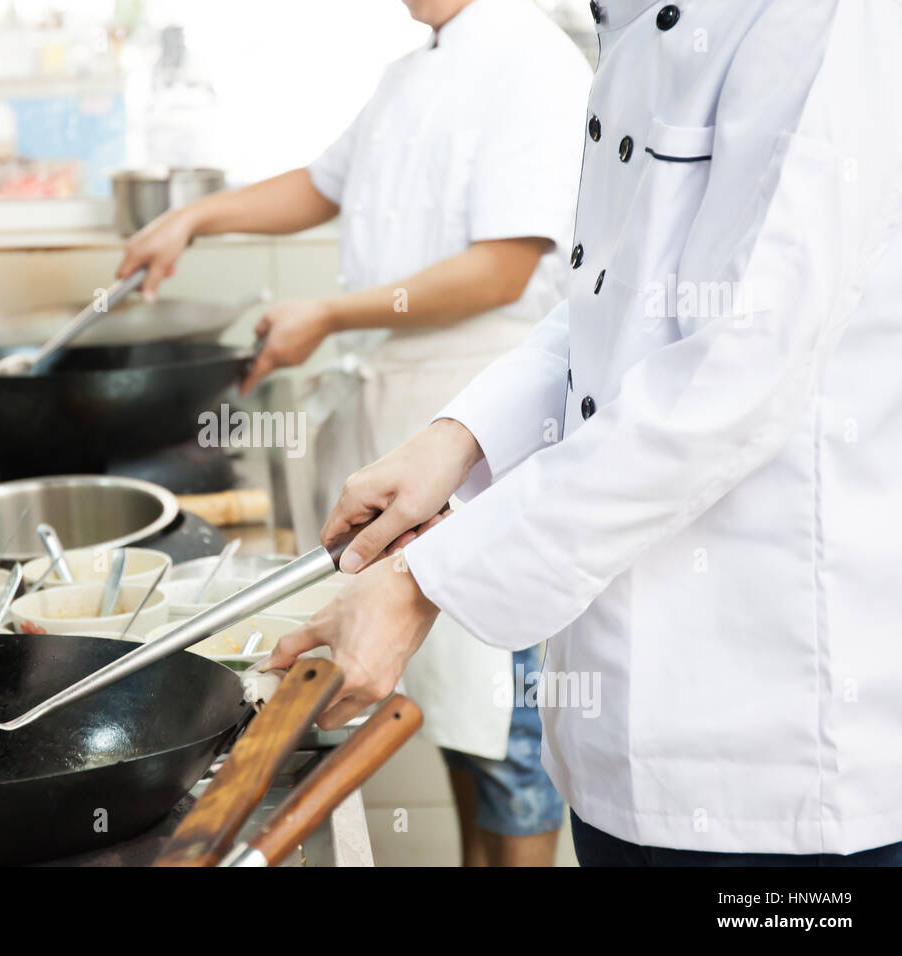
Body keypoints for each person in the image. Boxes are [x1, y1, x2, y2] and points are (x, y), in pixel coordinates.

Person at [263, 0, 902, 864]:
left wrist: (420, 582)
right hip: (616, 736)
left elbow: (727, 382)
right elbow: (612, 304)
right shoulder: (633, 25)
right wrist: (456, 439)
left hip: (776, 754)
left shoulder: (826, 19)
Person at [118, 0, 591, 865]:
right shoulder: (412, 72)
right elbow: (323, 184)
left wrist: (332, 313)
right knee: (454, 712)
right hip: (408, 428)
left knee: (506, 727)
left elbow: (503, 267)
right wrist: (195, 217)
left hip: (488, 427)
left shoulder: (534, 60)